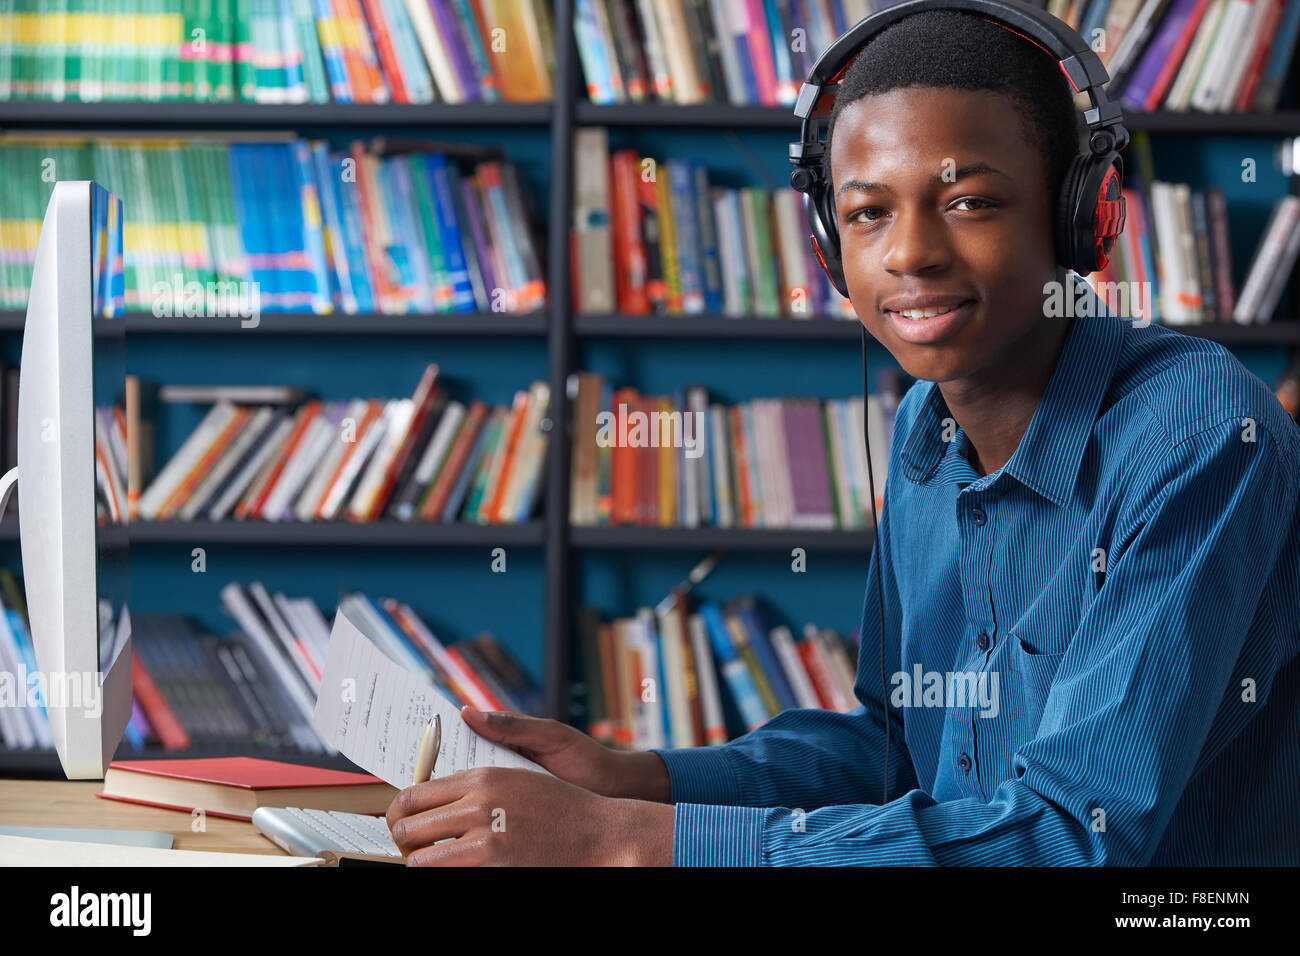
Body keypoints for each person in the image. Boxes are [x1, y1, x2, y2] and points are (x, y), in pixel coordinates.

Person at [385, 8, 1300, 866]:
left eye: (969, 202)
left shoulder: (1202, 436)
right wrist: (641, 781)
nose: (909, 253)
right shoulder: (925, 429)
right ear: (828, 245)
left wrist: (629, 841)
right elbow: (895, 747)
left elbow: (1071, 836)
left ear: (1080, 215)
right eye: (867, 213)